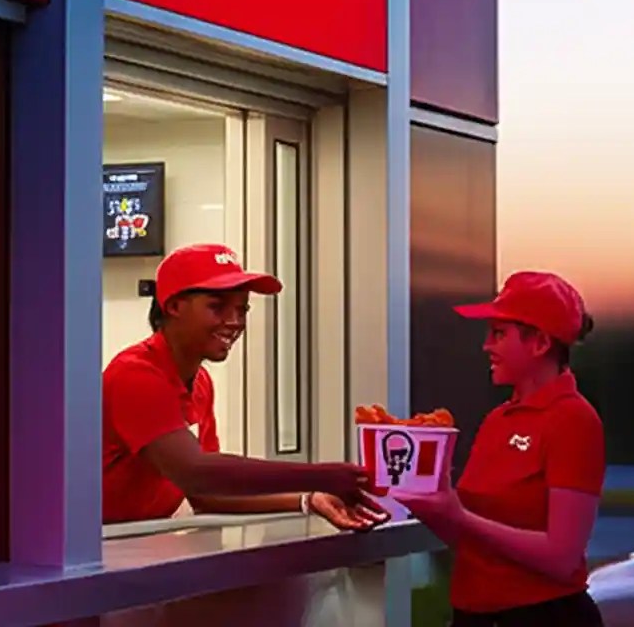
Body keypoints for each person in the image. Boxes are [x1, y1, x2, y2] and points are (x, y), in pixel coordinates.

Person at [102, 242, 388, 531]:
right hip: (93, 546)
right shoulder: (135, 374)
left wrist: (309, 499)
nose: (234, 322)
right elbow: (194, 473)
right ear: (174, 306)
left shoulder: (200, 382)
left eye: (242, 310)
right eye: (217, 307)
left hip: (138, 538)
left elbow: (206, 495)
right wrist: (319, 476)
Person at [395, 271, 606, 627]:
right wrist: (435, 510)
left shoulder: (574, 420)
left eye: (498, 334)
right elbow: (470, 541)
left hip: (543, 617)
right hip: (474, 615)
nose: (486, 346)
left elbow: (562, 556)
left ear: (539, 343)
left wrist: (459, 517)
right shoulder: (497, 420)